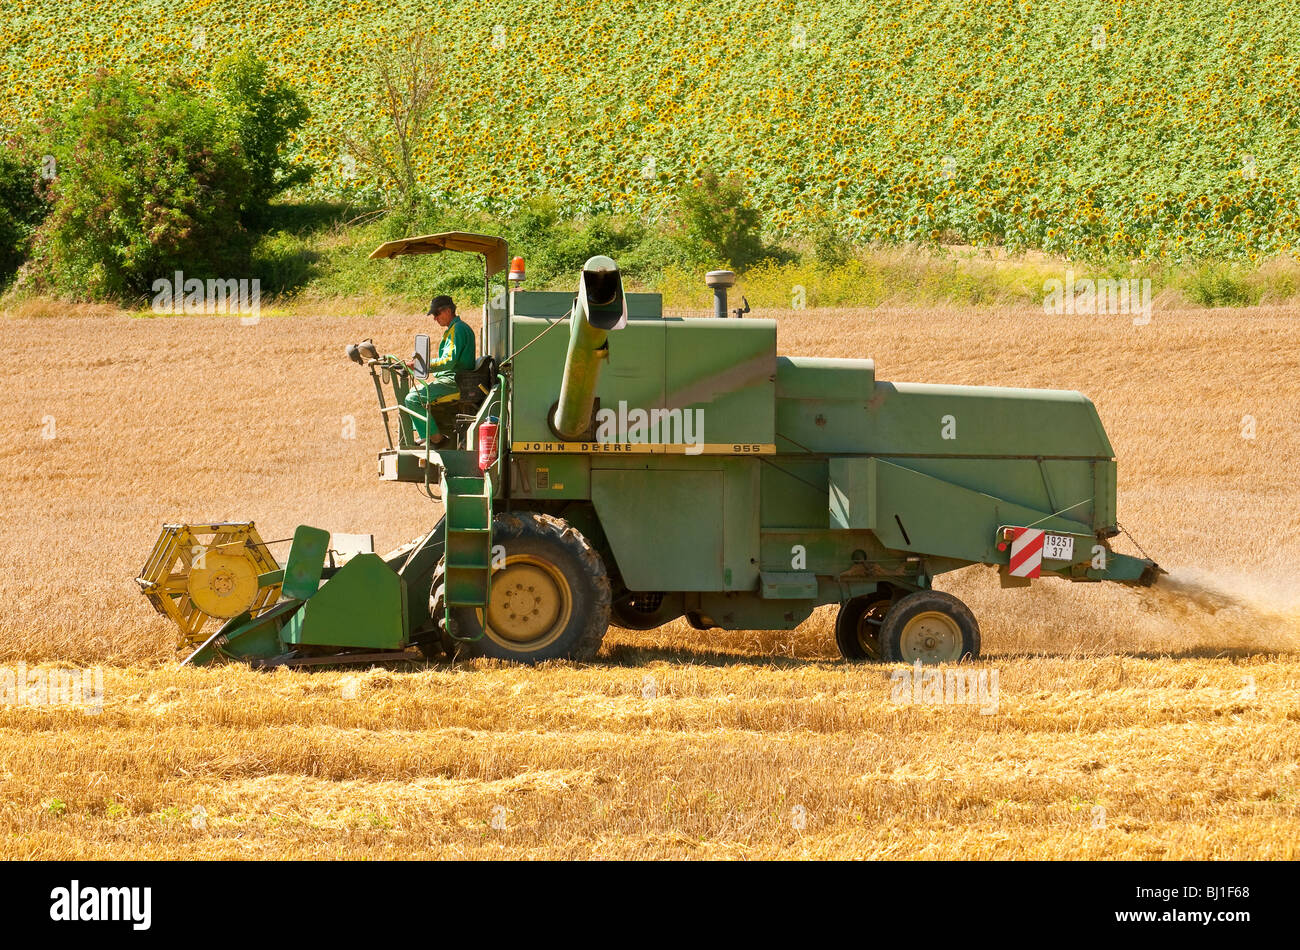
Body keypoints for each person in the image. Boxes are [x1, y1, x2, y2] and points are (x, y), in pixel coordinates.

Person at [404, 295, 475, 445]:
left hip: (455, 381)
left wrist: (423, 365)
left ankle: (436, 438)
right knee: (413, 393)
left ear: (448, 311)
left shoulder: (458, 329)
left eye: (437, 314)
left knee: (413, 398)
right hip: (453, 379)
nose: (435, 319)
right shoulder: (455, 329)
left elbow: (448, 361)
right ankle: (429, 434)